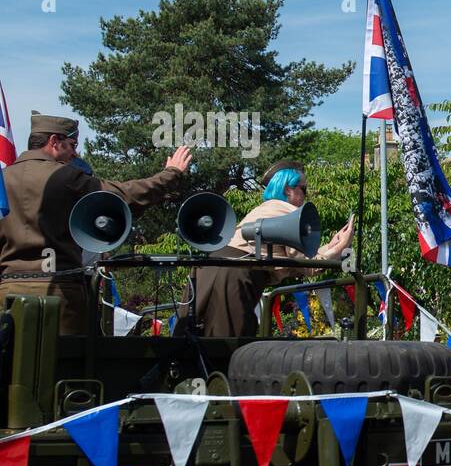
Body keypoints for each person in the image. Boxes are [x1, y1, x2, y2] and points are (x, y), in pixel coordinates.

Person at [0, 111, 191, 334]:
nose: (74, 153)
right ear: (54, 142)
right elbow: (123, 196)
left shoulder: (3, 179)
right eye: (71, 144)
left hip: (6, 294)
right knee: (65, 365)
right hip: (60, 296)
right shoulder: (66, 177)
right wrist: (170, 175)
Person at [183, 161, 352, 337]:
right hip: (236, 274)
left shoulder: (265, 209)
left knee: (190, 335)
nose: (306, 195)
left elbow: (300, 257)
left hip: (209, 267)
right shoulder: (288, 212)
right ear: (288, 190)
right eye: (304, 189)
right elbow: (308, 265)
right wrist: (341, 248)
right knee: (230, 344)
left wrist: (332, 246)